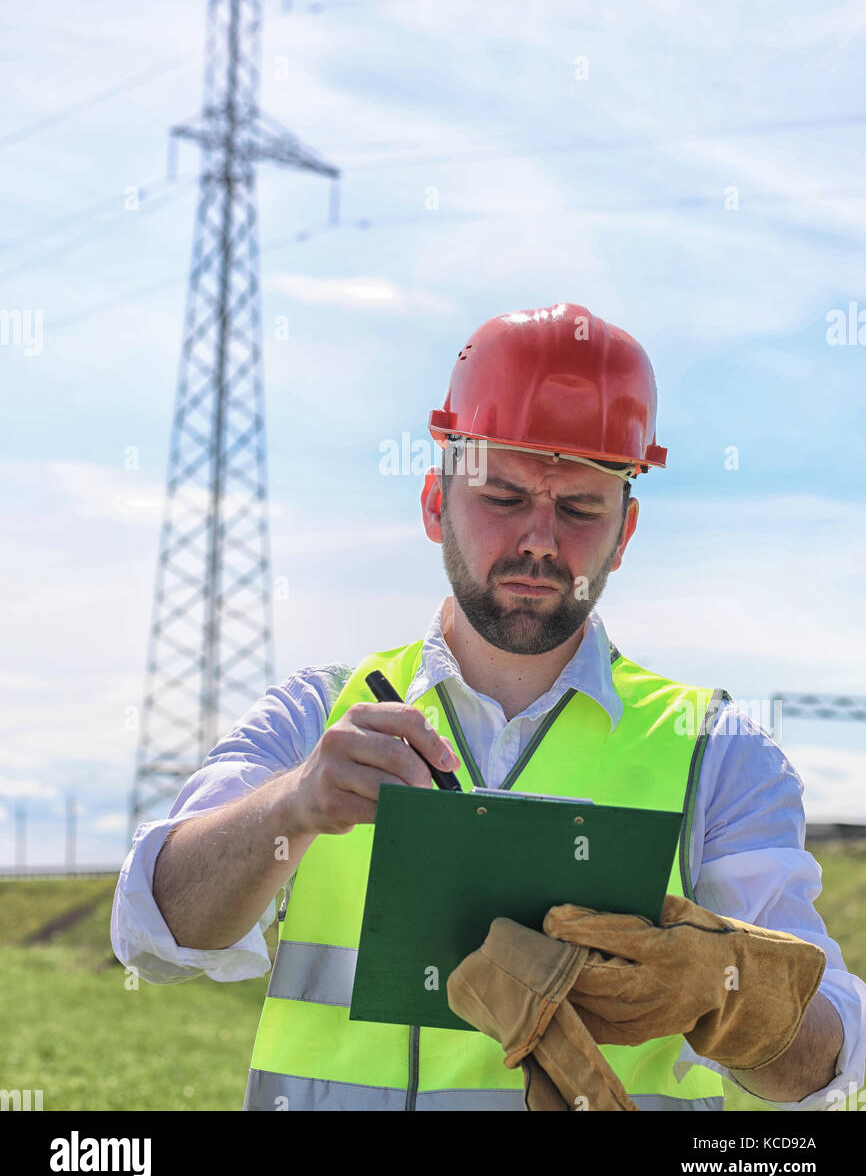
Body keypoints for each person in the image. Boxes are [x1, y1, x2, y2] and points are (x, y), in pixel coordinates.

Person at [111, 301, 866, 1112]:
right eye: (502, 496)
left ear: (624, 532)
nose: (540, 540)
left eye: (580, 508)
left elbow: (826, 1068)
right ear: (436, 502)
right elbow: (156, 937)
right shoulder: (318, 715)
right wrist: (291, 808)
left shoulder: (715, 755)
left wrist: (729, 997)